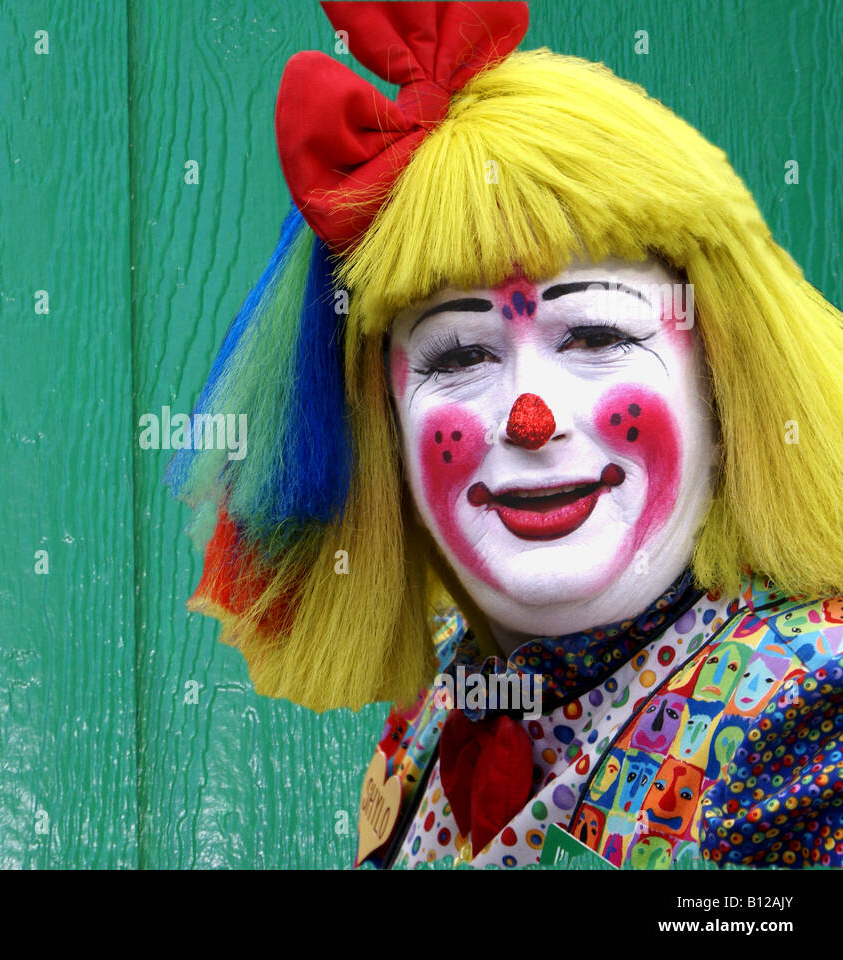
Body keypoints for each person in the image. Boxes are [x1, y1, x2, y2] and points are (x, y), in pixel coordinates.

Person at [165, 0, 843, 868]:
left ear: (722, 390)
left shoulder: (806, 721)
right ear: (388, 427)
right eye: (458, 355)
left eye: (596, 336)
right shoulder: (443, 701)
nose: (532, 416)